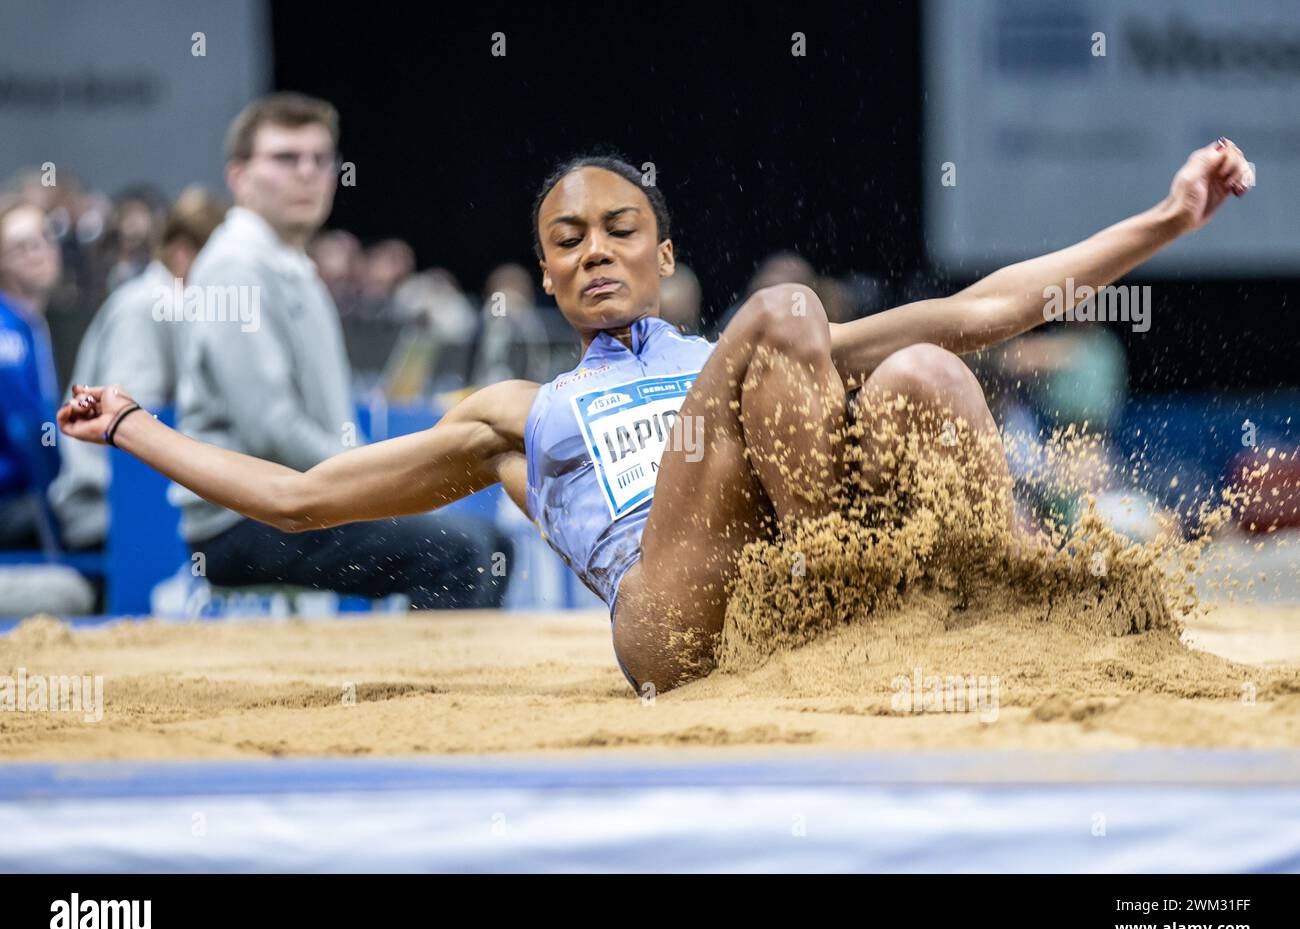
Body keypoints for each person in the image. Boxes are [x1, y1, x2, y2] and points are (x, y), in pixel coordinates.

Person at [59, 139, 1254, 690]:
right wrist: (132, 426)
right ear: (545, 275)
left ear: (663, 253)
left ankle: (1001, 608)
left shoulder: (748, 359)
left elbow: (984, 309)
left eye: (618, 230)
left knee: (923, 376)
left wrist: (1166, 219)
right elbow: (301, 500)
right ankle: (856, 589)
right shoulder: (519, 410)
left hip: (778, 562)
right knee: (784, 311)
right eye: (566, 240)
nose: (593, 251)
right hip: (670, 620)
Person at [158, 92, 508, 608]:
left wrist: (376, 484)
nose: (308, 173)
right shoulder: (235, 266)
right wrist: (380, 484)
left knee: (488, 544)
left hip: (298, 504)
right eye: (286, 158)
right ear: (239, 177)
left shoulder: (291, 266)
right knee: (463, 552)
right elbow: (271, 429)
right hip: (245, 520)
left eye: (321, 159)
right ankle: (427, 669)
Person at [48, 187, 229, 550]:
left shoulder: (176, 308)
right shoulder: (144, 308)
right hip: (106, 508)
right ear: (182, 253)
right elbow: (131, 431)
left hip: (145, 502)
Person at [0, 200, 62, 549]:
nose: (37, 253)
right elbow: (28, 432)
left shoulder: (32, 325)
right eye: (21, 246)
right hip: (13, 504)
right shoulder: (6, 334)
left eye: (44, 239)